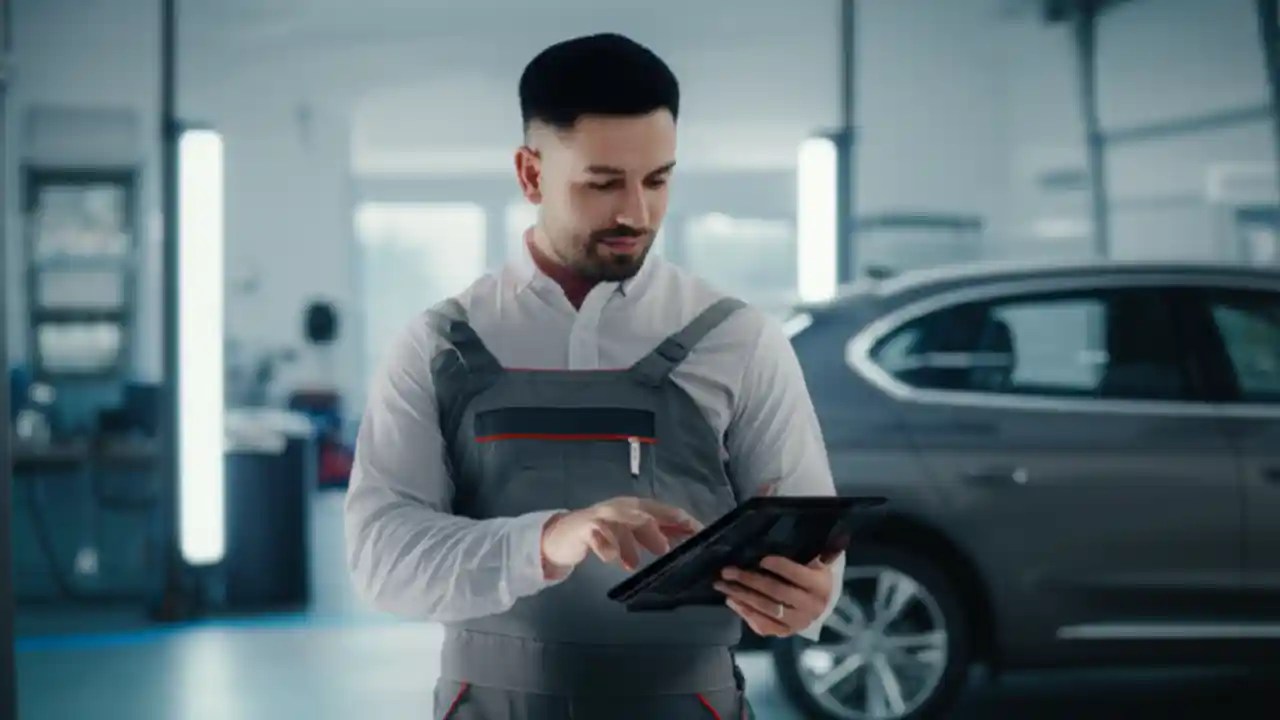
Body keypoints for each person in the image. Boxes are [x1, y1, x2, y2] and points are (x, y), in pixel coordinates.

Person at [345, 32, 845, 720]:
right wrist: (550, 537)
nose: (635, 213)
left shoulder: (739, 340)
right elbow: (381, 559)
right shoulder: (439, 345)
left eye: (658, 179)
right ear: (530, 174)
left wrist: (811, 594)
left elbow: (812, 542)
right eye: (603, 183)